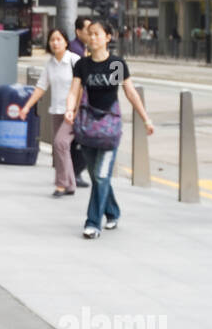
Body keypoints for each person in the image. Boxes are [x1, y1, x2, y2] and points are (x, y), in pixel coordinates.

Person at [64, 18, 154, 239]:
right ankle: (113, 211)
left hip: (109, 127)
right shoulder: (83, 65)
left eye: (97, 34)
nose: (93, 38)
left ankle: (93, 222)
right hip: (86, 127)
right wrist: (69, 109)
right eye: (90, 34)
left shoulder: (116, 64)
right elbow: (74, 91)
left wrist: (146, 119)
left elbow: (129, 93)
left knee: (102, 176)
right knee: (96, 176)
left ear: (107, 37)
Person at [19, 27, 76, 196]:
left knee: (60, 144)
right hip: (56, 111)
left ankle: (61, 184)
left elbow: (82, 87)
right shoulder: (50, 64)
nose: (55, 43)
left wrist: (73, 109)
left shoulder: (75, 60)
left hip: (72, 112)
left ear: (66, 42)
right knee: (61, 147)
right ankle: (71, 184)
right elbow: (41, 87)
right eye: (52, 40)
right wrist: (27, 106)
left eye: (59, 39)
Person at [66, 15, 91, 187]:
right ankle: (74, 173)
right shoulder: (76, 50)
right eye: (88, 30)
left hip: (76, 100)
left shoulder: (81, 48)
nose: (91, 34)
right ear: (78, 31)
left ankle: (73, 173)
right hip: (76, 101)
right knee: (79, 140)